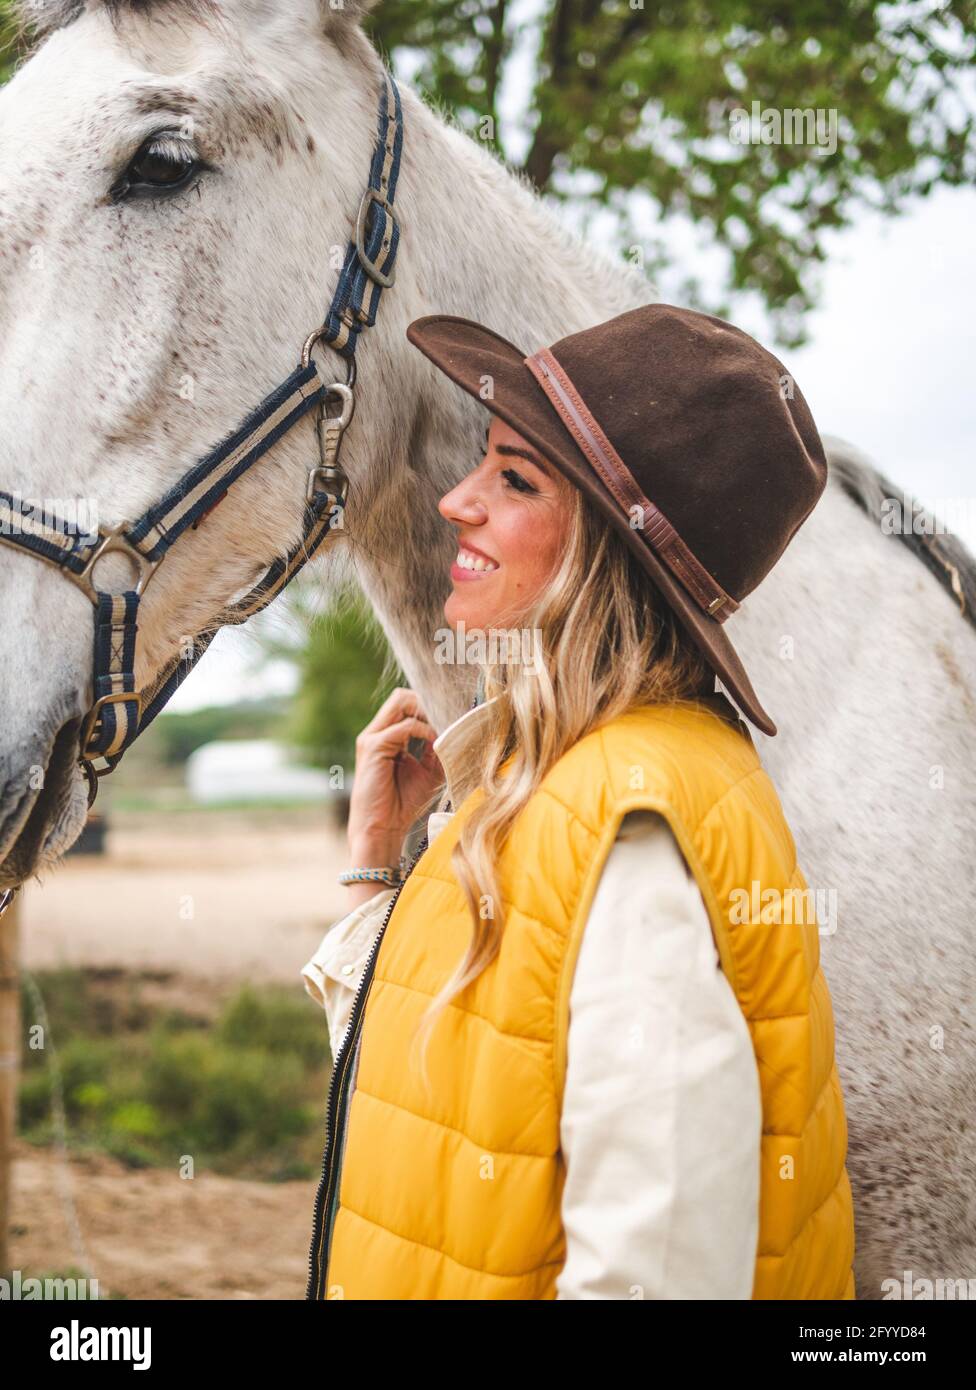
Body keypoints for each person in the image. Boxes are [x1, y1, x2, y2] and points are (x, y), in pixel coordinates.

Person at [301, 303, 857, 1301]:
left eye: (515, 479)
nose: (454, 503)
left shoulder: (634, 825)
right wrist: (378, 867)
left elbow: (657, 1277)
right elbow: (419, 1118)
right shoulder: (552, 781)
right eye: (484, 461)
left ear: (606, 549)